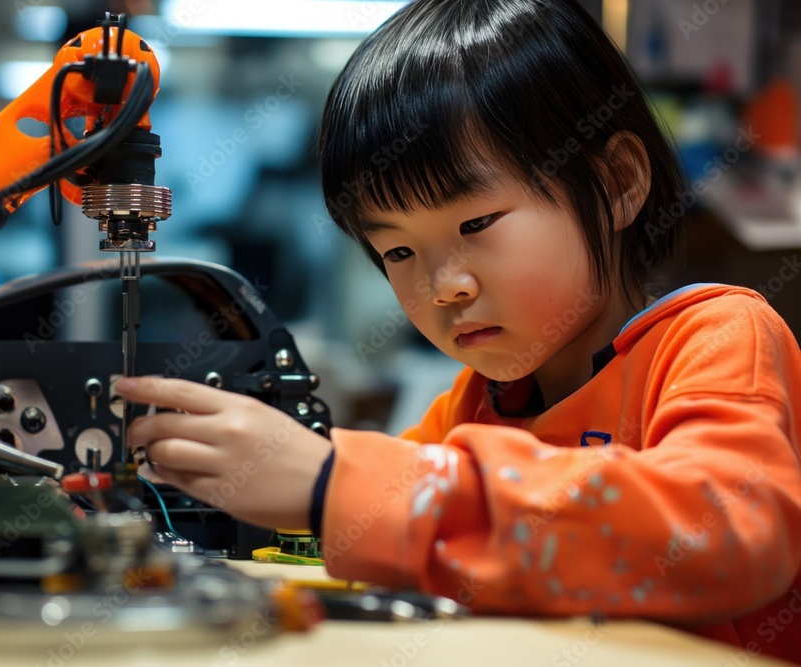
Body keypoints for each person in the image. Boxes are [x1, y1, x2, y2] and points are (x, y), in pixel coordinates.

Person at [116, 0, 801, 661]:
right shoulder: (473, 407)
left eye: (477, 225)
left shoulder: (715, 338)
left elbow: (729, 534)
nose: (446, 286)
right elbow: (379, 525)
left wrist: (331, 482)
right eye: (399, 253)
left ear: (619, 182)